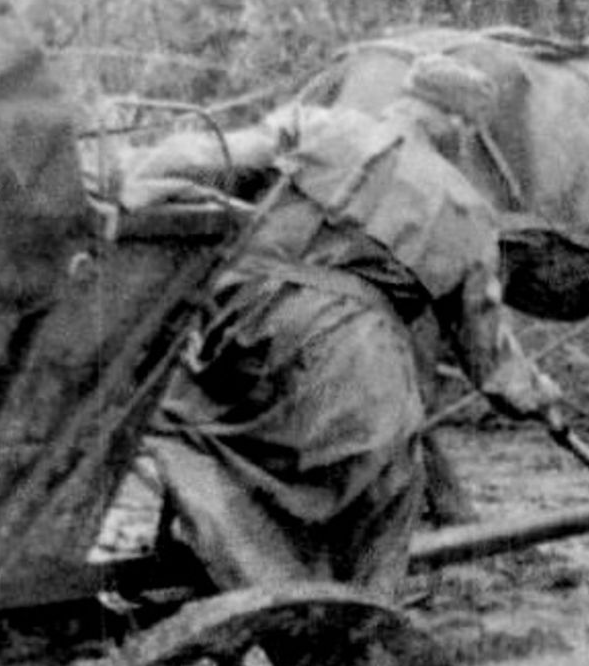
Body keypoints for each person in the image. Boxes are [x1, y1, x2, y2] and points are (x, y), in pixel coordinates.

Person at [145, 96, 559, 595]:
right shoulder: (467, 210)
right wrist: (540, 398)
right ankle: (351, 617)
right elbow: (492, 361)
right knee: (389, 486)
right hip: (345, 349)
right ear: (459, 129)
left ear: (406, 102)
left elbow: (203, 158)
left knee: (208, 427)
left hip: (234, 319)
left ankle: (229, 551)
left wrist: (133, 179)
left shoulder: (322, 126)